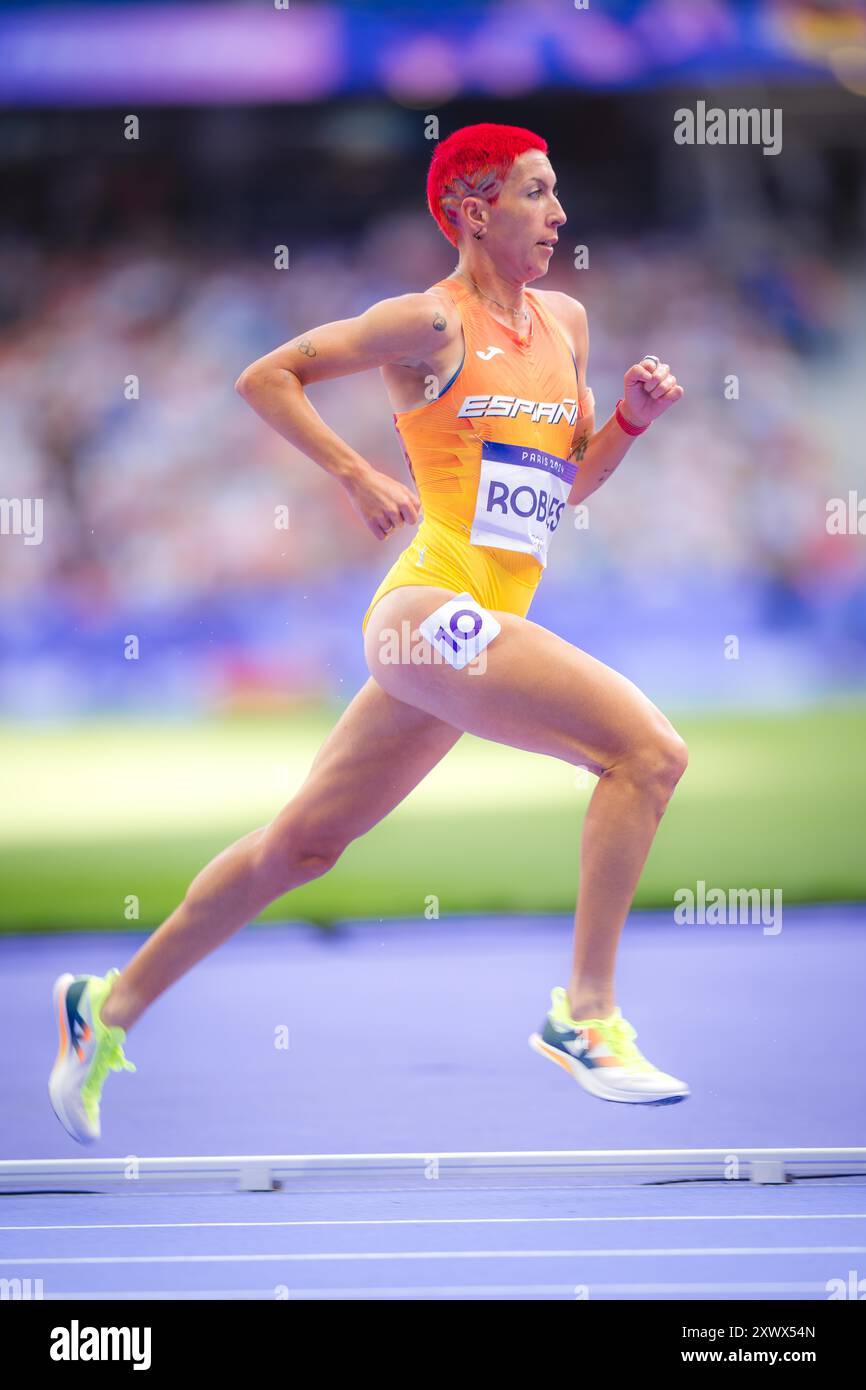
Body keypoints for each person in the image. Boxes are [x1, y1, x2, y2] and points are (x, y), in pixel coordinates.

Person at [49, 123, 688, 1145]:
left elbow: (563, 491)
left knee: (300, 846)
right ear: (475, 212)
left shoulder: (564, 321)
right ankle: (585, 1014)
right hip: (425, 610)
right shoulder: (424, 323)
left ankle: (106, 1005)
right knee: (647, 753)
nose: (559, 213)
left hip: (477, 622)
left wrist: (628, 424)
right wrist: (353, 472)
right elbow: (265, 375)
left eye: (556, 190)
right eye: (535, 192)